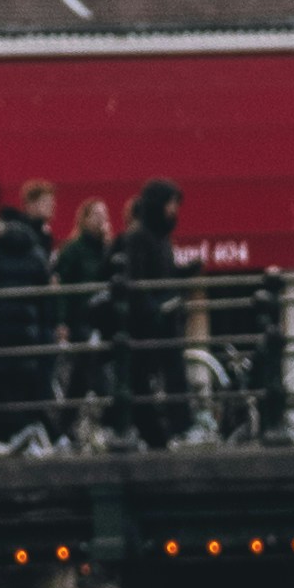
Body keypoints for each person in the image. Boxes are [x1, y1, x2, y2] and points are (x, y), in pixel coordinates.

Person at [0, 187, 57, 441]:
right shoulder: (34, 253)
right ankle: (30, 429)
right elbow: (46, 294)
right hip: (27, 328)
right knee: (29, 383)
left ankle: (3, 434)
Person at [115, 178, 190, 446]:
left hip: (163, 319)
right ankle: (161, 431)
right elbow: (137, 280)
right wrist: (152, 308)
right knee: (146, 378)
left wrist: (185, 273)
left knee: (164, 376)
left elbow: (161, 275)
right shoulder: (140, 237)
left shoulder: (160, 238)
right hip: (150, 323)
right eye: (171, 204)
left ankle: (167, 430)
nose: (174, 210)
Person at [49, 190, 117, 441]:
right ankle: (111, 416)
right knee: (92, 367)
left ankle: (64, 426)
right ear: (84, 219)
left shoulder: (107, 249)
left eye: (104, 214)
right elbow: (64, 287)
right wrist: (62, 320)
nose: (101, 219)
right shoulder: (73, 250)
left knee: (80, 375)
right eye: (96, 215)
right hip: (82, 319)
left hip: (103, 319)